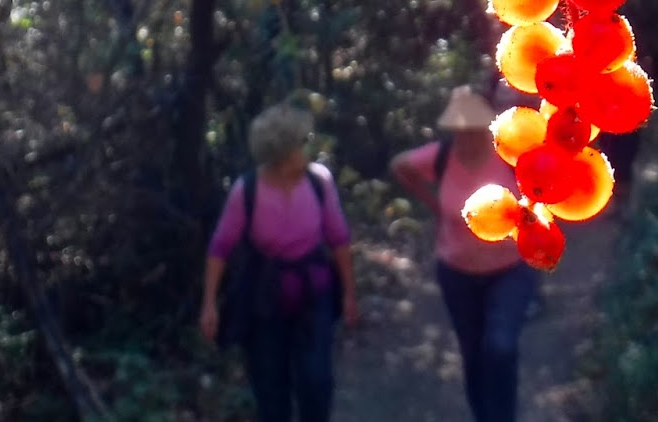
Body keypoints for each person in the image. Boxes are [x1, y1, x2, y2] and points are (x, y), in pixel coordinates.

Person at [200, 101, 360, 422]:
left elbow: (338, 240)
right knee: (270, 388)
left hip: (313, 294)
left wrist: (348, 293)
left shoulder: (319, 182)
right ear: (285, 151)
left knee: (316, 380)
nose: (308, 147)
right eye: (303, 142)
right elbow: (220, 247)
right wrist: (209, 304)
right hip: (265, 298)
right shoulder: (247, 190)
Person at [390, 84, 540, 422]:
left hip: (511, 269)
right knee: (473, 354)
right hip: (457, 273)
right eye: (459, 130)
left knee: (500, 347)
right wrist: (434, 204)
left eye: (472, 130)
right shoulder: (442, 156)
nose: (466, 137)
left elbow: (542, 190)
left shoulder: (509, 156)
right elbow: (399, 166)